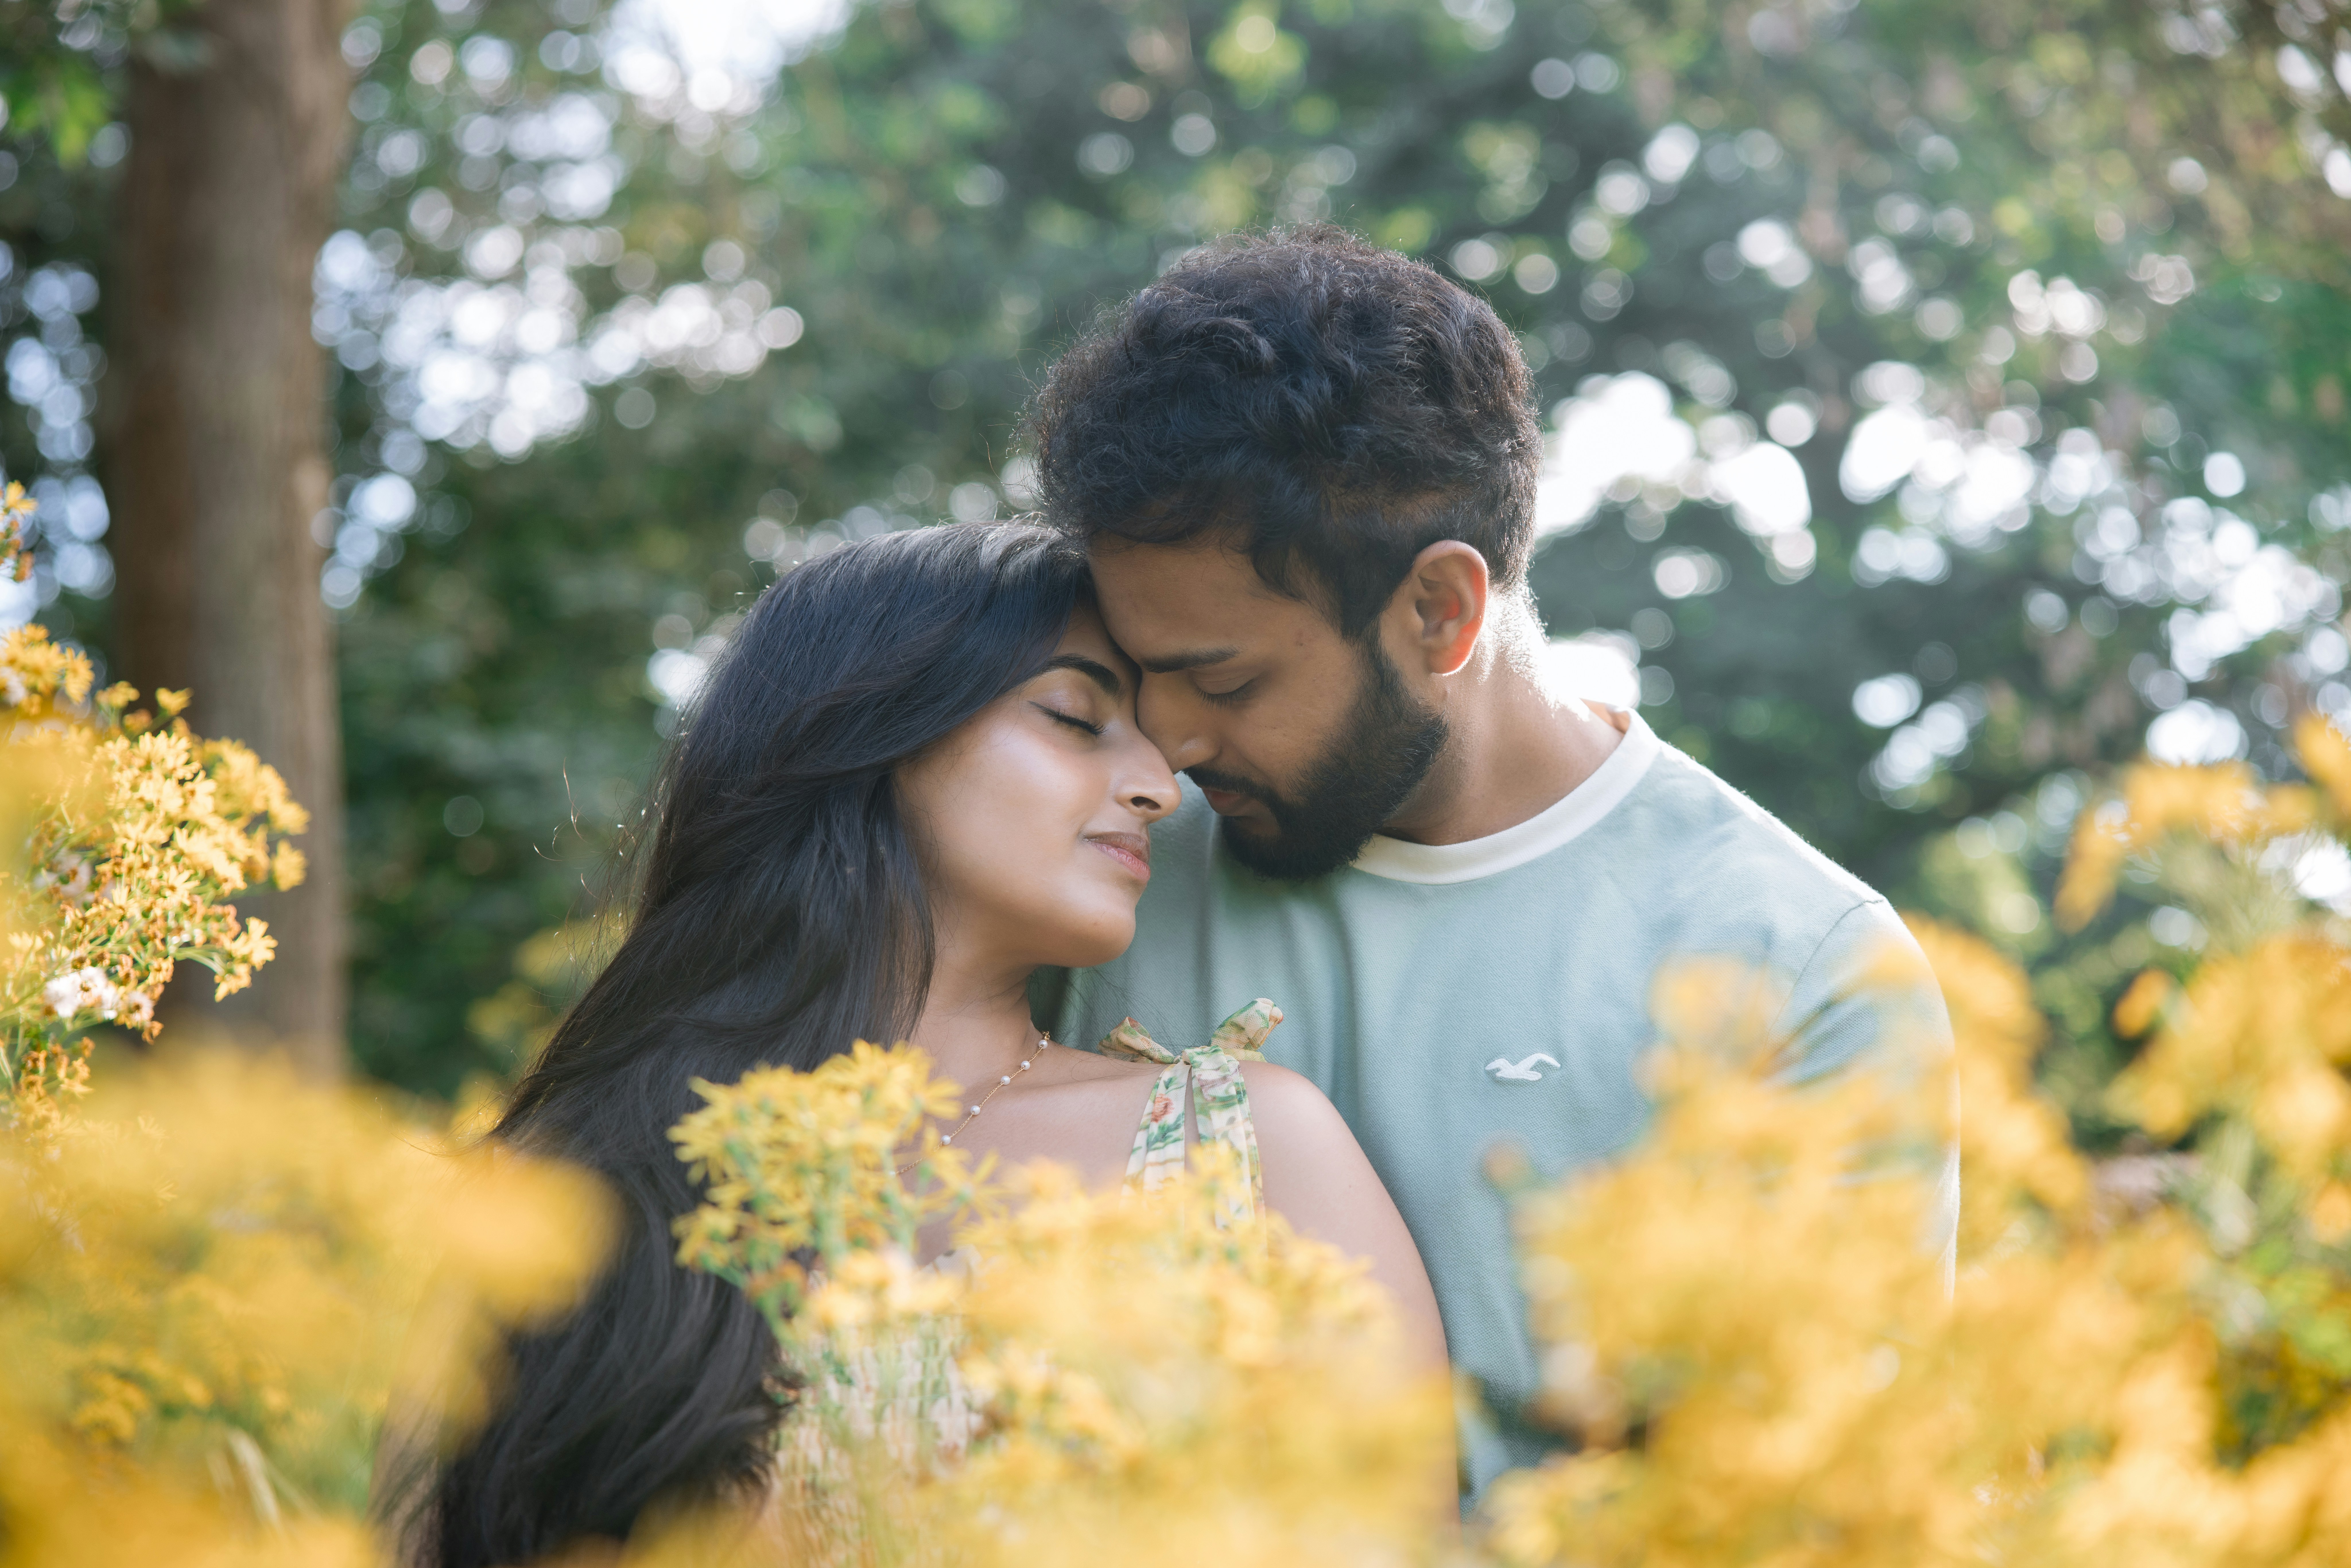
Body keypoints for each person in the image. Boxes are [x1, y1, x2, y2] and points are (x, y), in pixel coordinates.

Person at [1026, 226, 1959, 1503]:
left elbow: (1811, 1508)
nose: (1169, 744)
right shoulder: (1099, 878)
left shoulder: (1797, 968)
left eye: (1220, 678)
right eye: (1137, 676)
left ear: (1438, 613)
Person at [388, 522, 1443, 1568]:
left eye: (1157, 748)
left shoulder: (1243, 1146)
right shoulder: (566, 1188)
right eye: (1078, 717)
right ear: (872, 734)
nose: (1160, 789)